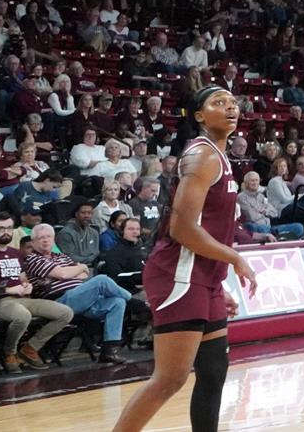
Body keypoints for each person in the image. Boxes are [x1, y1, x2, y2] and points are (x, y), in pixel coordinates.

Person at [111, 86, 259, 432]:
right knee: (170, 378)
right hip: (178, 272)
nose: (230, 108)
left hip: (201, 276)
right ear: (199, 115)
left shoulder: (220, 156)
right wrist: (234, 258)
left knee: (213, 371)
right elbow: (182, 228)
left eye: (233, 103)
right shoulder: (202, 155)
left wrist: (216, 280)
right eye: (219, 103)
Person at [0, 208, 75, 370]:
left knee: (65, 313)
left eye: (9, 228)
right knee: (22, 315)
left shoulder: (15, 253)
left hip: (21, 299)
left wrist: (27, 285)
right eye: (1, 228)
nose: (6, 232)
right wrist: (8, 290)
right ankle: (9, 352)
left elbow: (22, 278)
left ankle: (30, 348)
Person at [23, 222, 131, 362]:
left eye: (48, 237)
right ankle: (132, 300)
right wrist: (77, 269)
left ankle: (109, 352)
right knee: (102, 280)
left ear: (53, 239)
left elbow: (84, 275)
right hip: (60, 301)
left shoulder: (61, 256)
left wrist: (70, 272)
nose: (45, 240)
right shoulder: (33, 259)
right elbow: (63, 274)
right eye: (41, 238)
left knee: (117, 302)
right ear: (33, 242)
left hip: (81, 298)